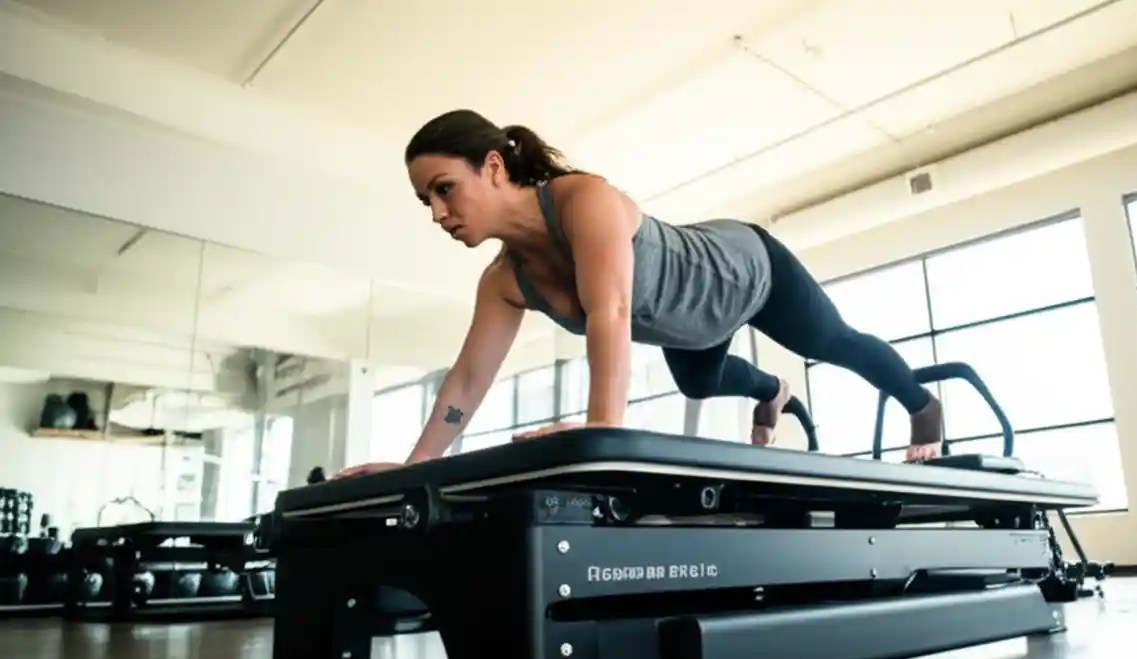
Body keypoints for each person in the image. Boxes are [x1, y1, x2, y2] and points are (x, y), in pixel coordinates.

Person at [331, 109, 942, 480]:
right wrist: (416, 471)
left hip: (740, 269)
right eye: (425, 202)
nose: (437, 213)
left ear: (493, 166)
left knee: (830, 341)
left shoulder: (581, 199)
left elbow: (612, 313)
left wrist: (603, 430)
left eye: (444, 189)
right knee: (699, 382)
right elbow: (466, 382)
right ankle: (773, 391)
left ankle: (923, 404)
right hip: (690, 324)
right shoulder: (504, 282)